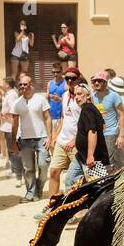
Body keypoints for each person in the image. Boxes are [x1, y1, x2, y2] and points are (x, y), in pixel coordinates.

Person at [11, 75, 51, 202]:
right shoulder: (17, 103)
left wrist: (50, 137)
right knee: (28, 169)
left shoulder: (40, 99)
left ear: (30, 84)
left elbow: (48, 118)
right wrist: (13, 141)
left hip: (41, 138)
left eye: (25, 84)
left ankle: (39, 188)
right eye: (20, 85)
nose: (23, 86)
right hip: (25, 139)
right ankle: (30, 193)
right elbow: (14, 123)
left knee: (43, 166)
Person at [46, 69, 82, 198]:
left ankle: (76, 208)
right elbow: (63, 117)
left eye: (73, 78)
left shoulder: (83, 96)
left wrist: (75, 140)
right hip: (62, 140)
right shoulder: (65, 95)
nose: (70, 81)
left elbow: (86, 122)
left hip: (76, 143)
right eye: (67, 78)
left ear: (78, 79)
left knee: (76, 178)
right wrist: (56, 135)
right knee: (54, 172)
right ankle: (52, 207)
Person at [89, 72, 124, 169]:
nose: (96, 83)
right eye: (94, 81)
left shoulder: (114, 96)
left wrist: (121, 136)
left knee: (107, 162)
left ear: (105, 83)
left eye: (99, 81)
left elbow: (121, 115)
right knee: (100, 160)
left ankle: (108, 181)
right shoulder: (92, 97)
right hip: (97, 134)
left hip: (110, 133)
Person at [72, 82, 106, 180]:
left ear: (87, 96)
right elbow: (103, 125)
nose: (77, 97)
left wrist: (90, 156)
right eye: (75, 95)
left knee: (98, 186)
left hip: (94, 159)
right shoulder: (90, 108)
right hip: (81, 156)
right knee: (71, 181)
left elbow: (93, 132)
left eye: (79, 94)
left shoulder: (88, 109)